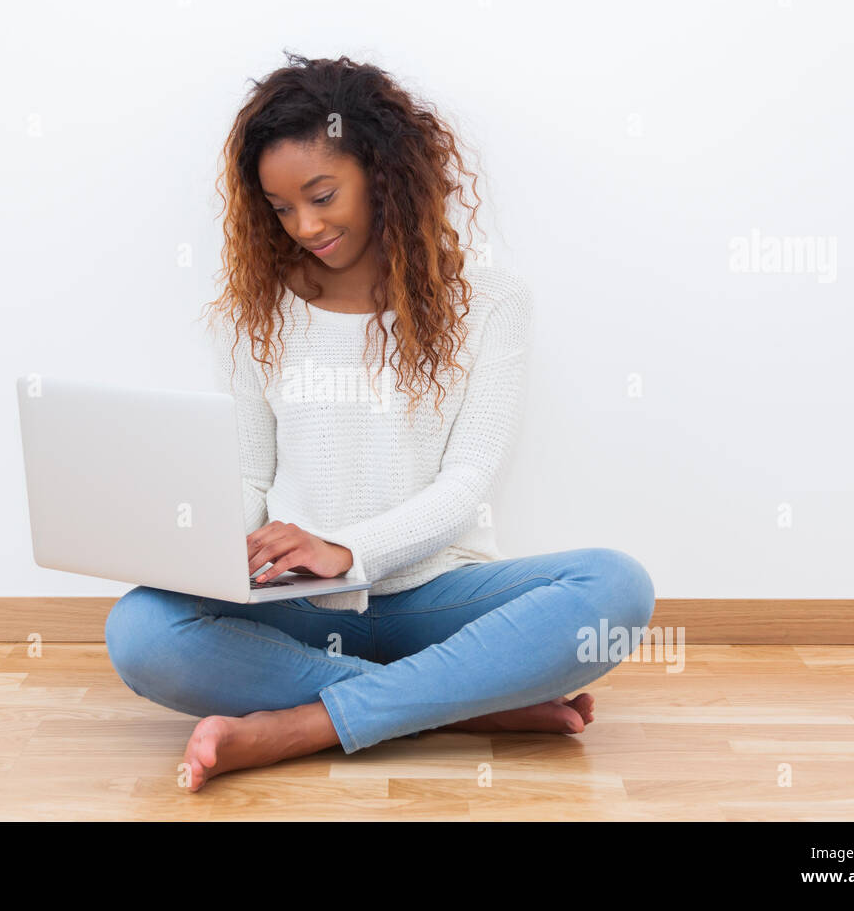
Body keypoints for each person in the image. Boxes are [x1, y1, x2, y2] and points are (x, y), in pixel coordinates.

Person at [106, 53, 654, 792]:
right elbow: (250, 473)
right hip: (294, 606)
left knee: (615, 588)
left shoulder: (491, 303)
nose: (304, 225)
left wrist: (346, 547)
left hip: (441, 598)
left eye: (322, 194)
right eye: (280, 208)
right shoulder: (255, 314)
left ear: (383, 170)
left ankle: (302, 726)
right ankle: (457, 705)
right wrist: (203, 549)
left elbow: (467, 481)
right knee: (139, 631)